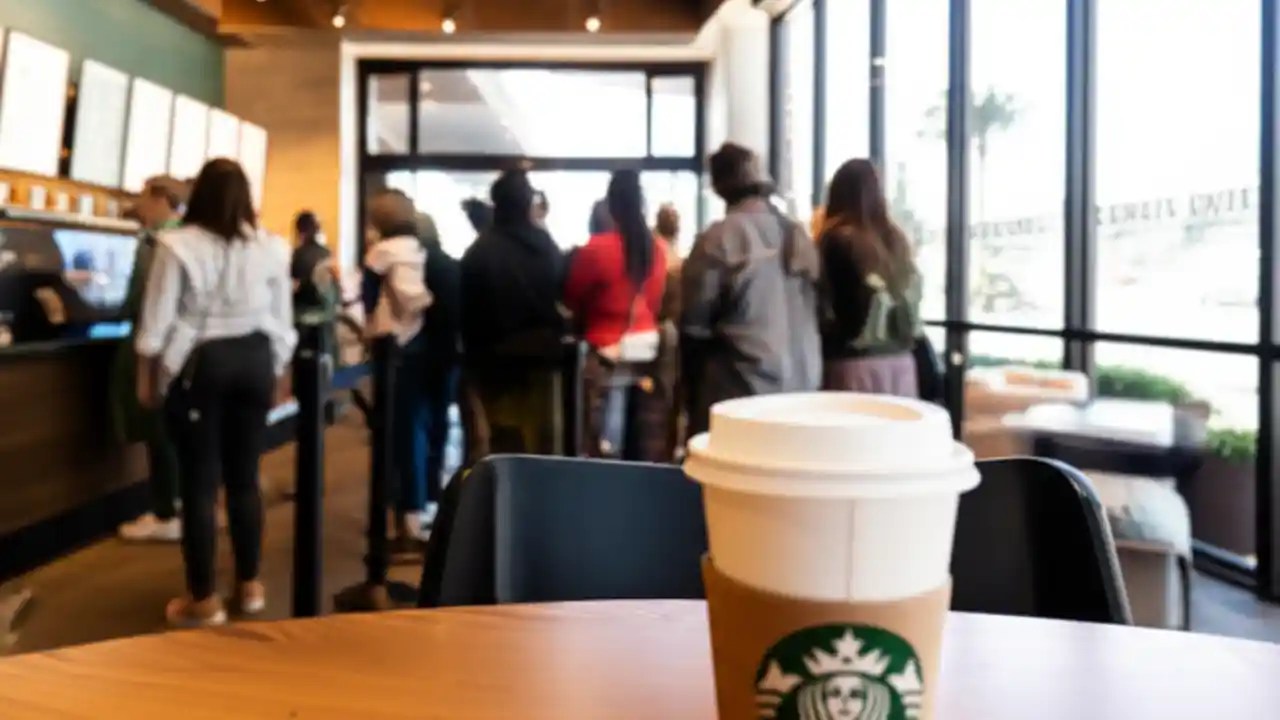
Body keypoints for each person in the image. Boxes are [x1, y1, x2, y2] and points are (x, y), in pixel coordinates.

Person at [135, 159, 296, 627]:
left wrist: (146, 378)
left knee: (200, 485)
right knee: (244, 477)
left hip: (202, 365)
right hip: (255, 360)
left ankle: (203, 599)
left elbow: (156, 320)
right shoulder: (270, 247)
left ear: (199, 194)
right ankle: (249, 586)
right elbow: (281, 319)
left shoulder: (176, 244)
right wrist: (279, 374)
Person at [680, 143, 822, 436]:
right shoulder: (797, 234)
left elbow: (694, 326)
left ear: (718, 185)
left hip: (744, 391)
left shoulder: (719, 239)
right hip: (805, 388)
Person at [460, 169, 566, 459]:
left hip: (495, 364)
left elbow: (469, 315)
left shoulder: (480, 252)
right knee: (544, 444)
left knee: (504, 443)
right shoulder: (547, 247)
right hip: (544, 362)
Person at [564, 170, 669, 461]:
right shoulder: (657, 250)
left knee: (600, 436)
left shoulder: (597, 250)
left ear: (611, 205)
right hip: (647, 351)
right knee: (641, 435)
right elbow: (657, 299)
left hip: (605, 350)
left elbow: (573, 296)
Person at [113, 176, 189, 543]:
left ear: (160, 198)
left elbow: (139, 300)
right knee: (176, 434)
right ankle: (178, 504)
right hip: (186, 351)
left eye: (144, 196)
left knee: (160, 434)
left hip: (157, 349)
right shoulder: (191, 237)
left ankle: (165, 511)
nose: (141, 204)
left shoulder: (156, 242)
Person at [818, 159, 923, 397]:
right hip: (902, 362)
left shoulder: (836, 239)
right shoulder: (897, 239)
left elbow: (830, 305)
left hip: (852, 364)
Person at [364, 190, 434, 543]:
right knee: (416, 429)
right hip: (420, 344)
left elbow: (367, 299)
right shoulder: (422, 250)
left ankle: (394, 514)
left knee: (392, 433)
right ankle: (415, 509)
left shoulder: (380, 254)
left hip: (390, 346)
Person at [417, 211, 461, 517]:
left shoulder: (417, 267)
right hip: (447, 355)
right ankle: (434, 486)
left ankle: (420, 492)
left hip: (421, 355)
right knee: (439, 424)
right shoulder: (451, 265)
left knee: (418, 425)